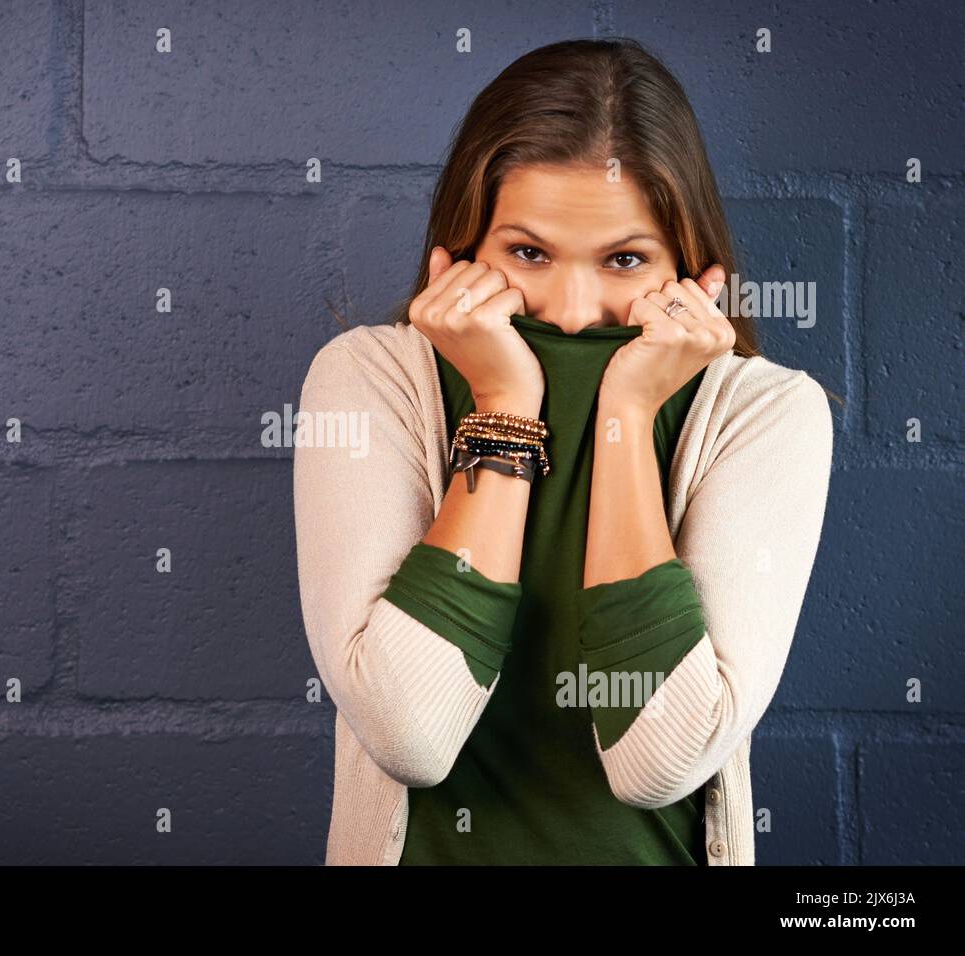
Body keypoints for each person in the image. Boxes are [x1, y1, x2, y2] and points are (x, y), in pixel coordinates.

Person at [292, 37, 835, 865]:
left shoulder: (765, 412)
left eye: (625, 259)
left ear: (691, 266)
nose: (574, 312)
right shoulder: (370, 379)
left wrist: (623, 414)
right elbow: (411, 733)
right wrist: (505, 406)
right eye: (529, 253)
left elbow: (664, 761)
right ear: (462, 250)